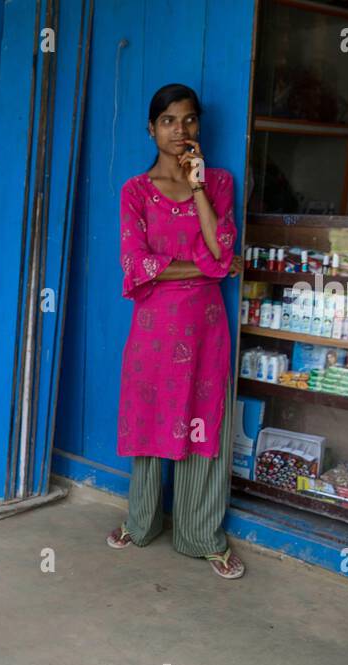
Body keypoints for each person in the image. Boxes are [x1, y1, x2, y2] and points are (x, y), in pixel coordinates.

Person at [106, 84, 246, 579]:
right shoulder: (135, 191)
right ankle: (140, 522)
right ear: (151, 128)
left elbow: (222, 250)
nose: (179, 130)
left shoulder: (221, 183)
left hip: (206, 329)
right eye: (168, 120)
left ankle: (199, 535)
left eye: (188, 120)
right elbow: (134, 265)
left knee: (202, 423)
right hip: (153, 329)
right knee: (148, 421)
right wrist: (207, 268)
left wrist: (200, 186)